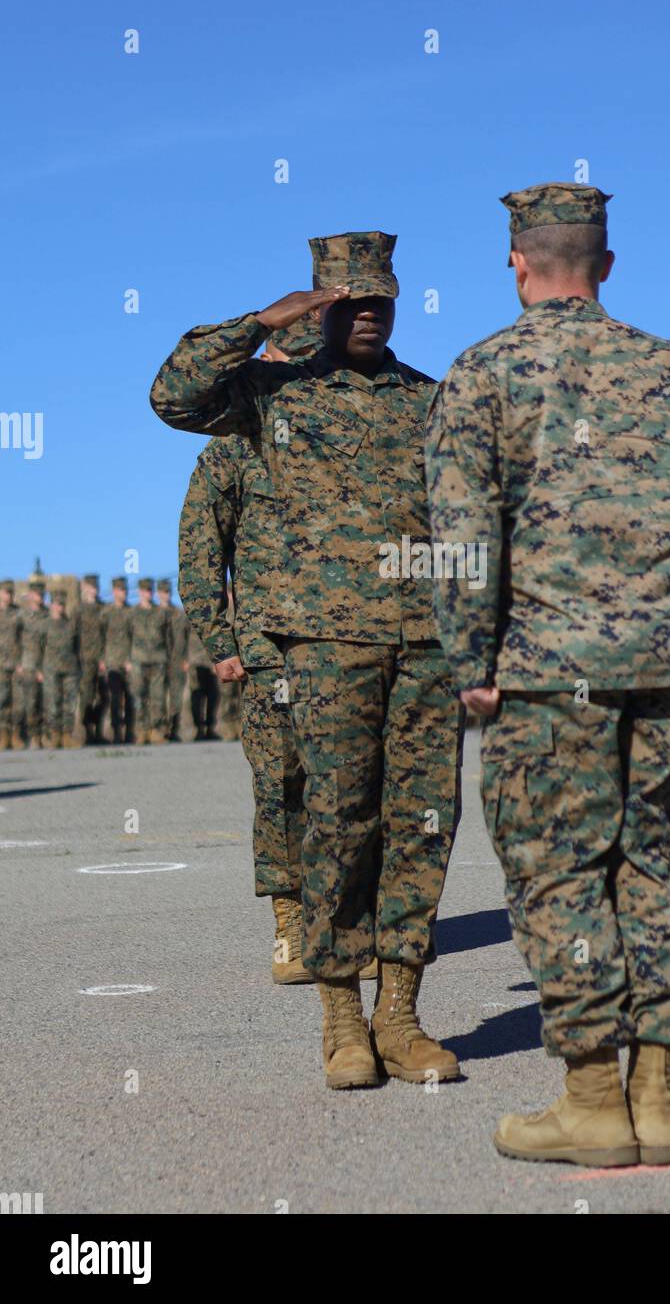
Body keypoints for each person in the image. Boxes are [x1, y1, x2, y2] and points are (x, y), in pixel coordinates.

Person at [426, 182, 670, 1165]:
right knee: (648, 861)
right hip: (659, 666)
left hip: (542, 673)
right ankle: (656, 1099)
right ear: (604, 266)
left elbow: (458, 533)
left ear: (516, 263)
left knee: (557, 873)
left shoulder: (483, 371)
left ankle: (588, 1101)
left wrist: (468, 658)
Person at [151, 231, 463, 1090]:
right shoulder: (270, 393)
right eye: (346, 301)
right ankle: (339, 1019)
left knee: (423, 825)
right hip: (320, 647)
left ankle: (398, 1014)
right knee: (333, 820)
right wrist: (258, 322)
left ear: (398, 303)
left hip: (427, 646)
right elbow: (172, 398)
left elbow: (479, 520)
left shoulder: (432, 401)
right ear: (320, 309)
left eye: (379, 299)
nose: (366, 313)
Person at [175, 319, 382, 984]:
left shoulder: (343, 433)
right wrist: (220, 638)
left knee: (354, 785)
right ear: (266, 356)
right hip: (269, 649)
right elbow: (201, 551)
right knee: (282, 787)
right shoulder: (233, 446)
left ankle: (351, 923)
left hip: (351, 640)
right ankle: (292, 925)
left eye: (308, 354)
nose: (298, 364)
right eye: (287, 354)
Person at [127, 578, 170, 744]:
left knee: (158, 697)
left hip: (158, 659)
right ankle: (141, 730)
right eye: (144, 590)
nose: (147, 593)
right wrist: (127, 659)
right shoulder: (132, 613)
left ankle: (157, 731)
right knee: (139, 696)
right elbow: (126, 637)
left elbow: (168, 637)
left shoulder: (161, 613)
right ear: (139, 592)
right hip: (138, 660)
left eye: (150, 590)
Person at [39, 588, 82, 749]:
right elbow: (39, 648)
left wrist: (78, 667)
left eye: (62, 604)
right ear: (52, 604)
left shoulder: (70, 625)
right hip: (51, 669)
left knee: (69, 704)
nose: (60, 607)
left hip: (70, 670)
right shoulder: (45, 625)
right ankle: (54, 735)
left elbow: (77, 647)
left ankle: (66, 735)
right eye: (57, 604)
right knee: (52, 703)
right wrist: (39, 669)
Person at [17, 572, 49, 749]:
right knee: (30, 703)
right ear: (30, 596)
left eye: (42, 594)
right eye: (37, 594)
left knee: (46, 702)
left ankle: (43, 735)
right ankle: (32, 736)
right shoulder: (21, 616)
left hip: (46, 665)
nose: (40, 597)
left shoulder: (48, 616)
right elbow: (14, 639)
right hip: (28, 664)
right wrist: (18, 662)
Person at [101, 576, 134, 744]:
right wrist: (102, 659)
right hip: (112, 663)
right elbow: (100, 637)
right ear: (114, 591)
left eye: (125, 589)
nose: (124, 593)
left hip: (129, 663)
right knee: (115, 698)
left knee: (130, 698)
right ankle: (116, 733)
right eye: (121, 590)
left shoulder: (131, 612)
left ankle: (129, 731)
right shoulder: (106, 613)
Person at [156, 578, 189, 741]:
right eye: (162, 592)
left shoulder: (178, 614)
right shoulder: (153, 613)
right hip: (158, 660)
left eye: (168, 592)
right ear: (158, 594)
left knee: (176, 696)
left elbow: (185, 638)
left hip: (177, 660)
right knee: (158, 696)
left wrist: (185, 659)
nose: (165, 595)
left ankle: (174, 728)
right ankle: (160, 730)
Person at [78, 574, 108, 744]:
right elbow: (73, 636)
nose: (93, 590)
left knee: (104, 697)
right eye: (90, 586)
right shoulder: (79, 611)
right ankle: (87, 732)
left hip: (102, 660)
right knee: (86, 698)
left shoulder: (103, 609)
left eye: (95, 587)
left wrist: (105, 657)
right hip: (84, 660)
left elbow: (108, 634)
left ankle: (98, 729)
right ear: (84, 588)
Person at [0, 579, 22, 750]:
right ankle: (3, 735)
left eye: (11, 592)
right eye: (6, 592)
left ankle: (15, 735)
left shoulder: (18, 614)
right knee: (2, 700)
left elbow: (25, 639)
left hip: (15, 664)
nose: (9, 595)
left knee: (17, 701)